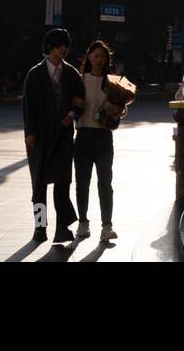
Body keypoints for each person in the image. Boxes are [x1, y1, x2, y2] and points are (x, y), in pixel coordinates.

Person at [22, 27, 85, 244]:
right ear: (50, 47)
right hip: (39, 138)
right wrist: (29, 132)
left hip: (63, 137)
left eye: (66, 46)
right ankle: (40, 228)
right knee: (39, 187)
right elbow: (27, 106)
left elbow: (80, 101)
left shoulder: (71, 73)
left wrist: (72, 113)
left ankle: (62, 227)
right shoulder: (35, 74)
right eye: (60, 45)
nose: (64, 50)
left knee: (62, 184)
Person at [74, 40, 120, 242]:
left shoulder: (112, 82)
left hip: (103, 137)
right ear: (89, 57)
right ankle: (83, 224)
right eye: (95, 55)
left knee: (105, 183)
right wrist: (74, 103)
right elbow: (68, 102)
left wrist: (117, 110)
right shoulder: (79, 80)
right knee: (82, 183)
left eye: (102, 56)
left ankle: (107, 226)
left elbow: (121, 108)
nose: (99, 59)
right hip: (83, 135)